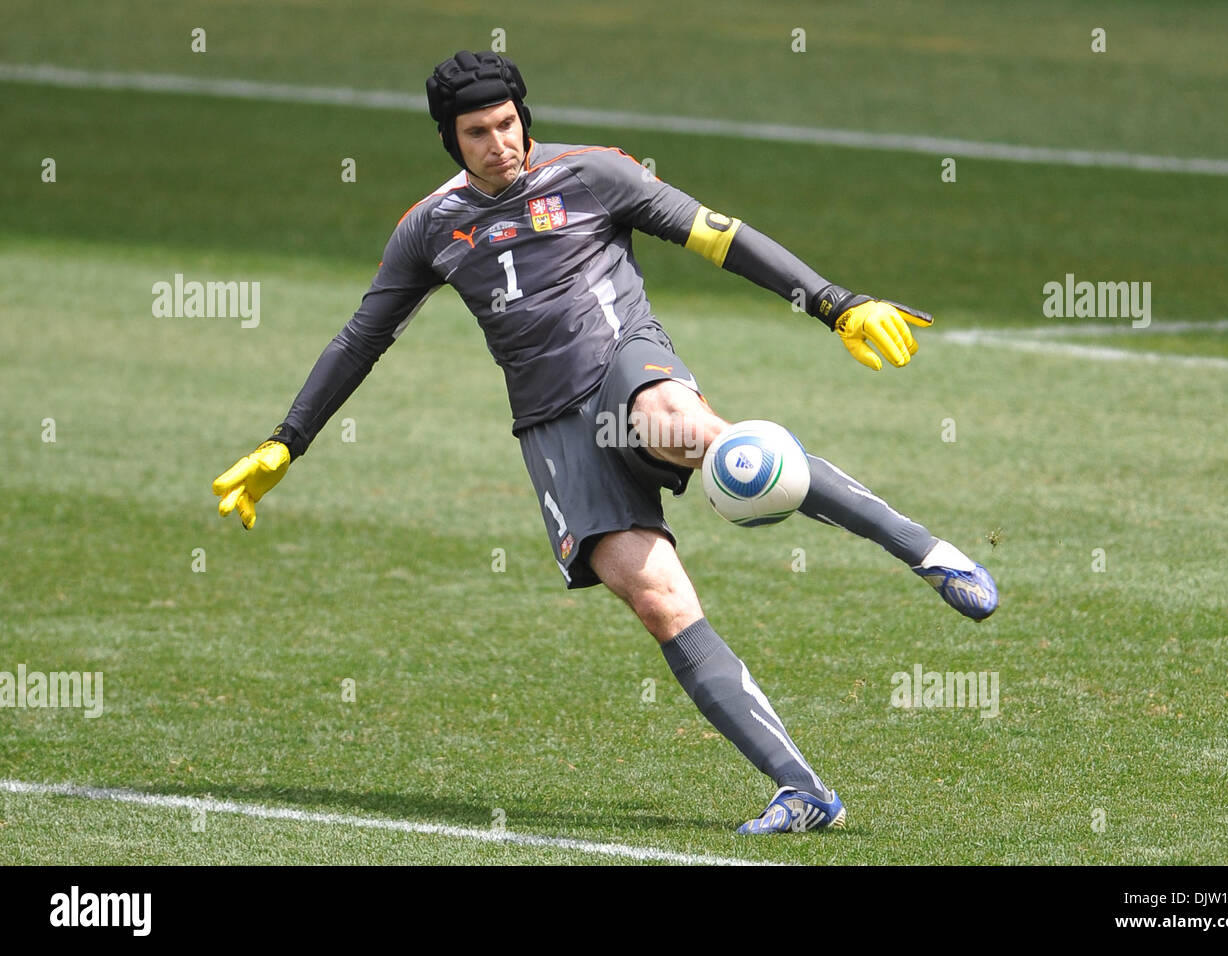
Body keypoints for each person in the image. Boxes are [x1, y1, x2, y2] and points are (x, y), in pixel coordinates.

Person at [212, 51, 998, 835]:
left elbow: (720, 238)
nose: (500, 143)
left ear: (526, 117)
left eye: (509, 124)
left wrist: (835, 304)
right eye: (478, 132)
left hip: (625, 360)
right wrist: (288, 442)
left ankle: (930, 555)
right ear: (452, 142)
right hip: (551, 424)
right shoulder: (430, 229)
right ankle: (802, 792)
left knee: (690, 431)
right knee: (658, 602)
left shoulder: (594, 174)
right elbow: (361, 338)